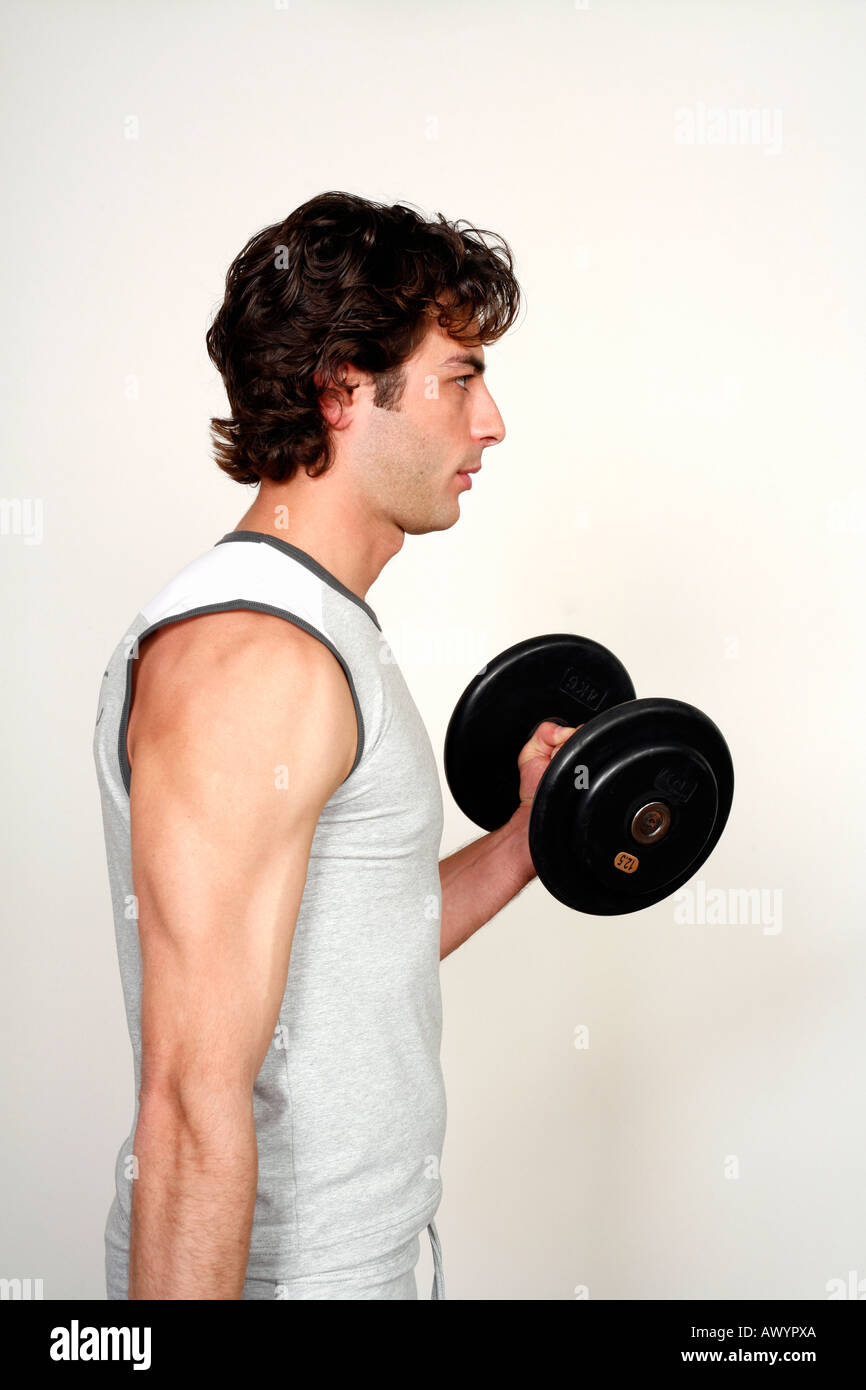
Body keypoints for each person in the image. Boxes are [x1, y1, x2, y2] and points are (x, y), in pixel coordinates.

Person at [93, 190, 577, 1300]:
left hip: (364, 1259)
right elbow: (187, 1102)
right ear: (342, 388)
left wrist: (524, 838)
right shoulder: (254, 660)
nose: (490, 421)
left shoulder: (315, 630)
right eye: (459, 377)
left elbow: (358, 938)